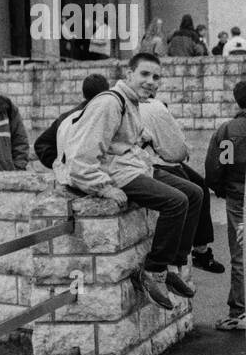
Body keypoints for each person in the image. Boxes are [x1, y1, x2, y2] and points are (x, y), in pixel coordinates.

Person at [52, 53, 202, 309]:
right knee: (176, 202)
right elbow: (82, 155)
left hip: (134, 167)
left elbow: (129, 141)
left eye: (156, 77)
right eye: (144, 74)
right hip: (117, 173)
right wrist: (103, 187)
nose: (151, 81)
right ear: (129, 73)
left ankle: (171, 265)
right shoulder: (110, 103)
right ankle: (153, 271)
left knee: (195, 193)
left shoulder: (132, 103)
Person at [139, 94, 226, 274]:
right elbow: (175, 149)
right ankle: (184, 256)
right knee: (192, 192)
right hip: (154, 162)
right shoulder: (153, 108)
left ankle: (197, 251)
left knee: (198, 186)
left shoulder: (140, 106)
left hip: (154, 160)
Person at [205, 80, 246, 331]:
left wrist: (221, 189)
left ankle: (240, 310)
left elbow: (217, 167)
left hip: (237, 196)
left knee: (240, 253)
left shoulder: (227, 131)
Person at [35, 73, 110, 168]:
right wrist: (61, 163)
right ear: (107, 93)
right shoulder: (112, 115)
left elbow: (41, 144)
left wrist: (60, 163)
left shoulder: (66, 118)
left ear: (83, 95)